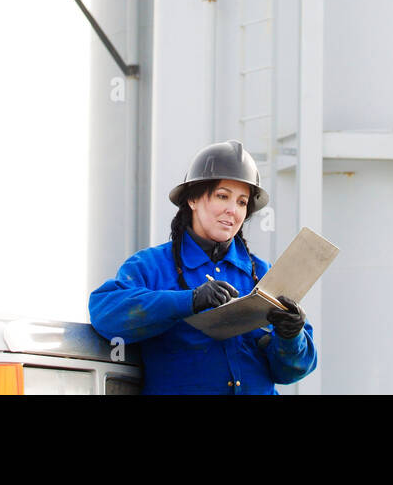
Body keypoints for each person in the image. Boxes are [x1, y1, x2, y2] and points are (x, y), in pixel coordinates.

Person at [89, 140, 317, 395]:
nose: (233, 210)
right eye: (222, 196)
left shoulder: (265, 275)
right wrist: (190, 301)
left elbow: (292, 371)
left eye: (242, 202)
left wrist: (291, 336)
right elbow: (105, 315)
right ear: (193, 200)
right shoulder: (150, 267)